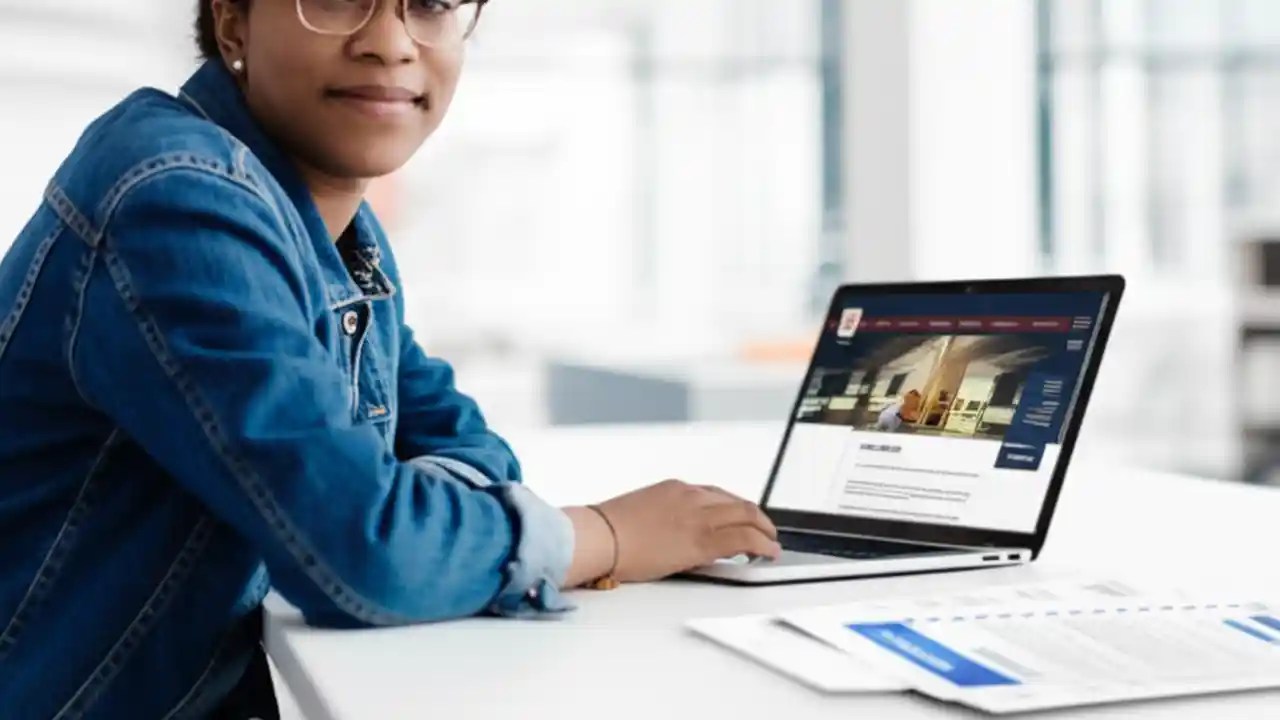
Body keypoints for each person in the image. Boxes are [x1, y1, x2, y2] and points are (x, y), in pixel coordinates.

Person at [0, 1, 780, 717]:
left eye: (431, 4)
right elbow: (364, 551)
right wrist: (607, 534)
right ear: (234, 22)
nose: (389, 42)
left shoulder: (337, 233)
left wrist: (412, 521)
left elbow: (466, 448)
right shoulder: (178, 197)